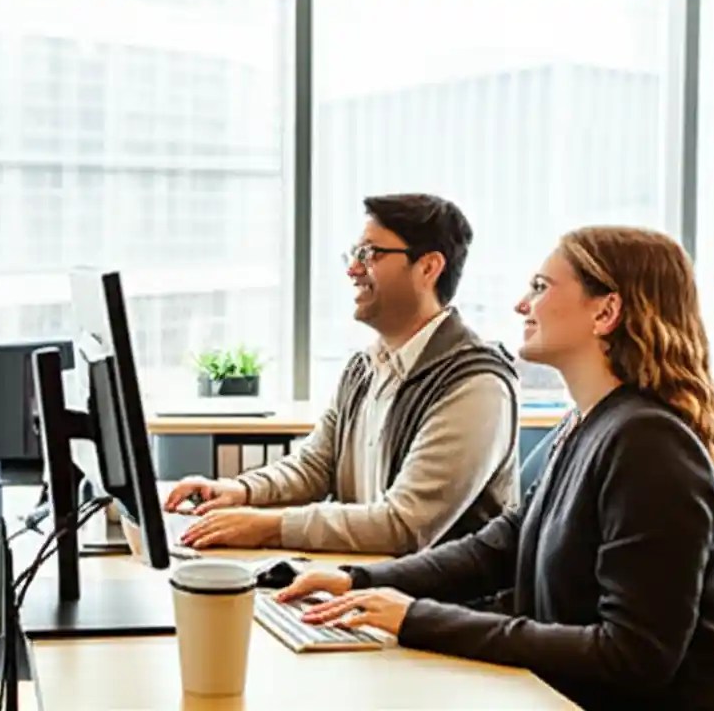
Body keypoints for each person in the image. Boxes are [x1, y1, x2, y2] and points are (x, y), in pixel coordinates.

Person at [276, 227, 714, 710]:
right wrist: (358, 581)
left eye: (540, 287)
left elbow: (633, 656)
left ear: (606, 311)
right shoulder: (588, 422)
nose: (521, 305)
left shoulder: (650, 446)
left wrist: (414, 619)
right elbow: (500, 547)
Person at [167, 193, 520, 554]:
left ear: (428, 268)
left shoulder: (475, 385)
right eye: (354, 254)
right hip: (372, 589)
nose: (353, 269)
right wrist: (240, 491)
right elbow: (315, 466)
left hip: (439, 604)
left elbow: (405, 525)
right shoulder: (365, 367)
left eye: (369, 254)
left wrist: (269, 527)